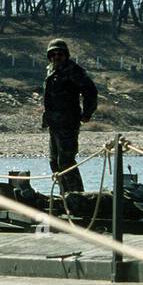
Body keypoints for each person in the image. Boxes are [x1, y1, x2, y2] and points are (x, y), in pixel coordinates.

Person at [42, 38, 98, 193]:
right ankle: (64, 194)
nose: (56, 57)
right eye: (53, 54)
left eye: (60, 54)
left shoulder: (74, 71)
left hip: (68, 122)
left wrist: (87, 113)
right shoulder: (51, 70)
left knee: (66, 162)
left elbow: (91, 92)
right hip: (53, 123)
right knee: (54, 162)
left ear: (66, 55)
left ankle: (77, 195)